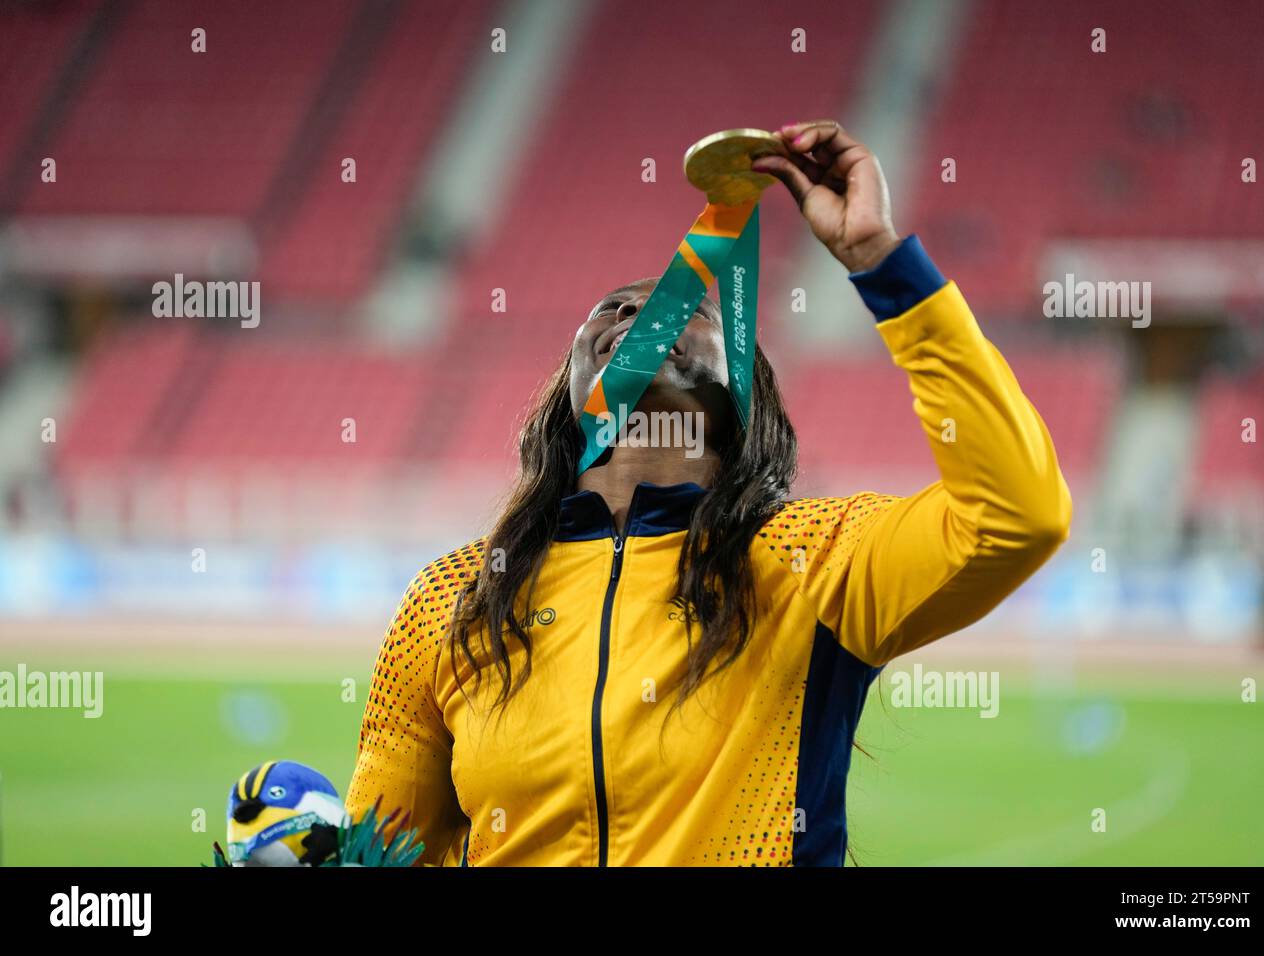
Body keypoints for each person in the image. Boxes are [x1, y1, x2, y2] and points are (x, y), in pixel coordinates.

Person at [345, 119, 1071, 866]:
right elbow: (383, 853)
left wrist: (883, 265)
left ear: (744, 393)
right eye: (612, 308)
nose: (636, 313)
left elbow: (1020, 515)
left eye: (682, 310)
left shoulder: (815, 562)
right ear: (566, 391)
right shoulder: (451, 598)